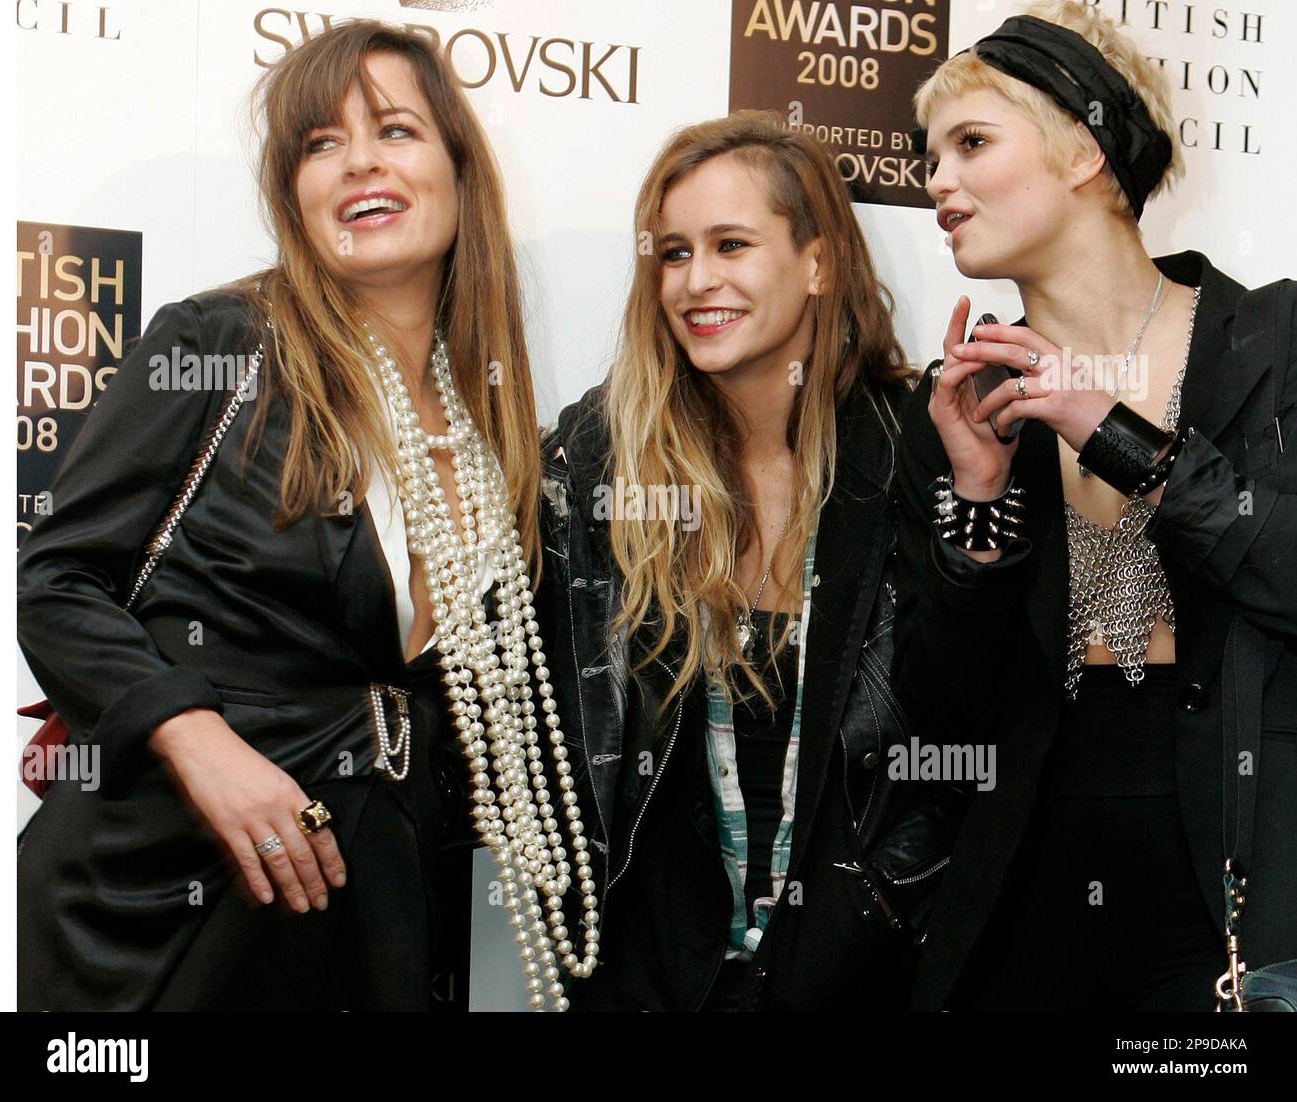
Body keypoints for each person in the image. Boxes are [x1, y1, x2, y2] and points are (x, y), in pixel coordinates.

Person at [17, 19, 595, 1011]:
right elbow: (58, 583)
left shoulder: (496, 428)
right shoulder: (216, 343)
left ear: (460, 169)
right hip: (166, 904)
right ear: (294, 190)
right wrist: (199, 744)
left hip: (368, 918)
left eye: (396, 131)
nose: (357, 162)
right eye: (319, 143)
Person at [895, 0, 1297, 1011]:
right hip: (1022, 865)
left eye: (970, 143)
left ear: (1081, 150)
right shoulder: (961, 398)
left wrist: (1114, 435)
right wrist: (977, 503)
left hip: (1234, 863)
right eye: (927, 155)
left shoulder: (1273, 341)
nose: (935, 181)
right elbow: (939, 701)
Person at [536, 111, 967, 1011]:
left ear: (817, 263)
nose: (697, 281)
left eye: (731, 244)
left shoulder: (913, 448)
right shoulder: (600, 457)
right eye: (674, 252)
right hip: (653, 980)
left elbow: (969, 706)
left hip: (861, 978)